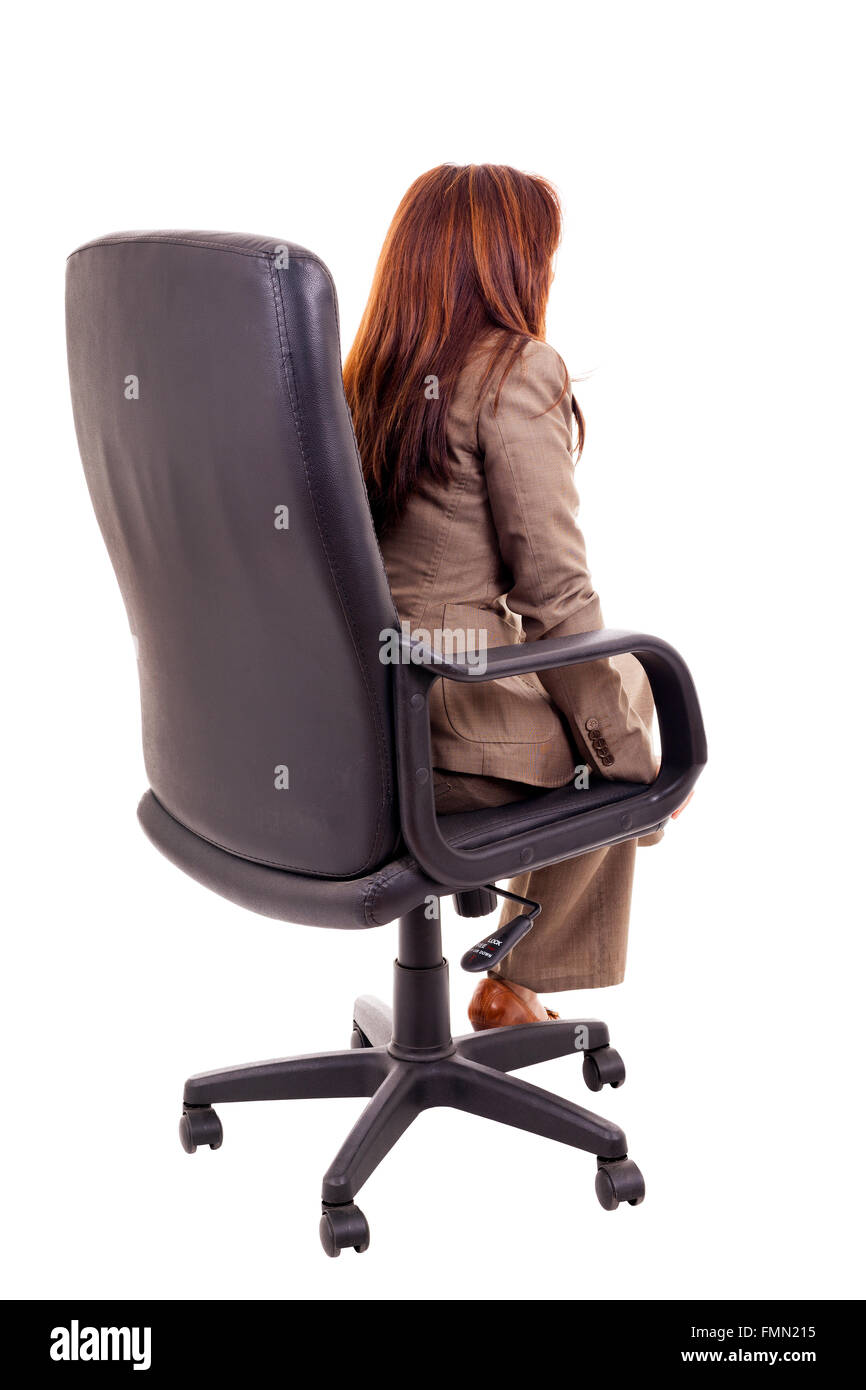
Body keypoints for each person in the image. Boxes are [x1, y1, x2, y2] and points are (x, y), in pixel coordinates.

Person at [344, 163, 684, 1029]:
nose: (551, 275)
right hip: (441, 722)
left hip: (345, 717)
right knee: (631, 710)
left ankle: (516, 974)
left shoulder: (363, 375)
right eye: (543, 255)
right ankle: (517, 977)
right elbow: (556, 597)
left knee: (616, 695)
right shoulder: (514, 372)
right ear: (504, 265)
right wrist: (641, 777)